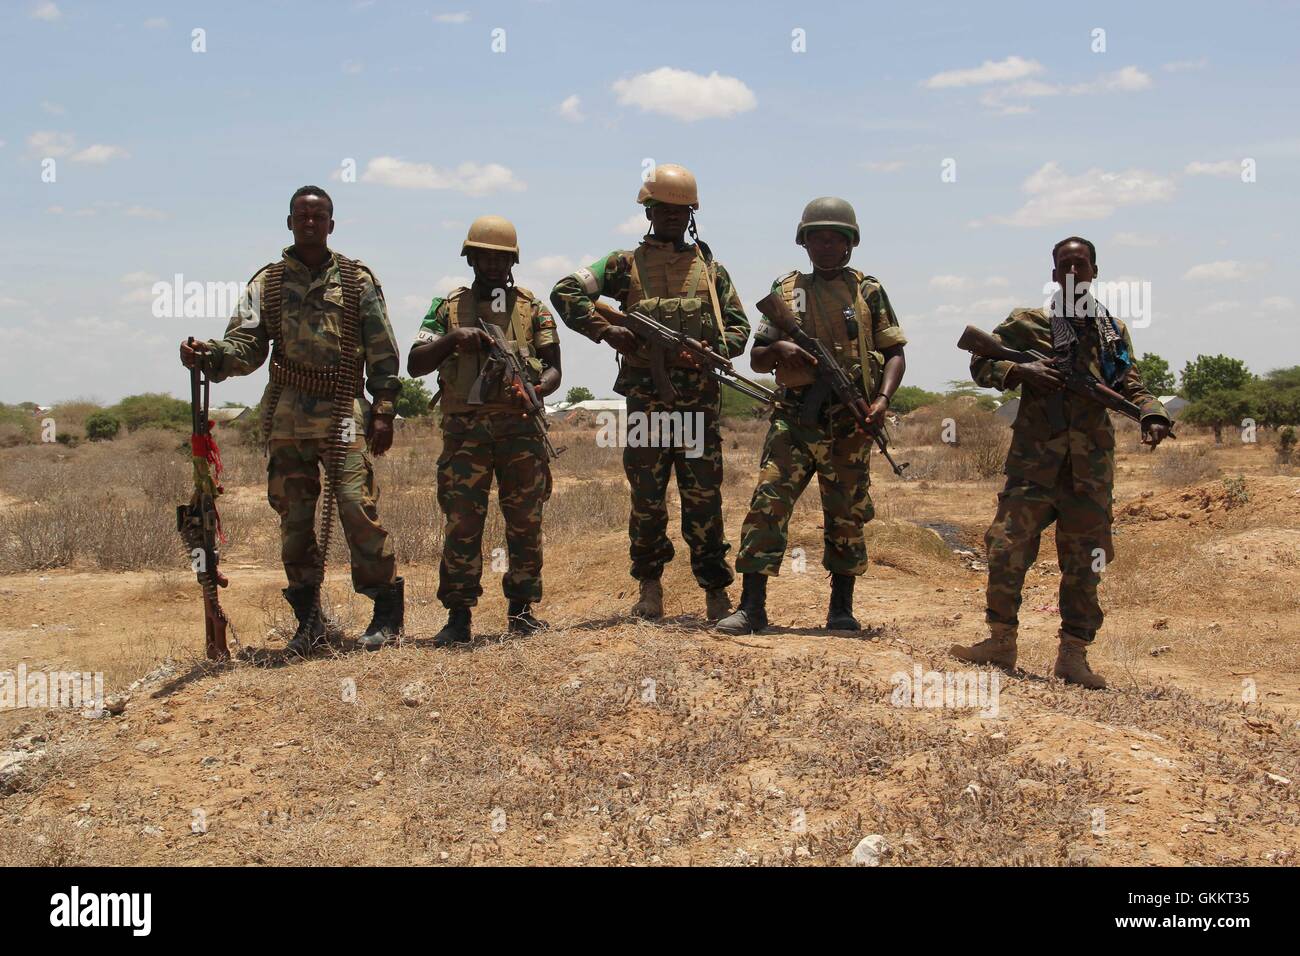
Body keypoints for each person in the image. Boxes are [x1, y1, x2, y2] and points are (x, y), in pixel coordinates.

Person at [179, 186, 402, 656]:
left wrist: (384, 410)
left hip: (344, 412)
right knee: (293, 520)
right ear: (289, 222)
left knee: (356, 507)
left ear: (331, 225)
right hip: (287, 418)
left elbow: (383, 352)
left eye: (318, 216)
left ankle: (386, 610)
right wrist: (210, 356)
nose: (310, 223)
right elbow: (245, 347)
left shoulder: (357, 280)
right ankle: (309, 620)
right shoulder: (269, 283)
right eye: (301, 216)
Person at [950, 236, 1171, 688]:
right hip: (1033, 463)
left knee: (1086, 561)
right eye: (1064, 265)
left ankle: (1073, 656)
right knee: (1006, 549)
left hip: (1089, 471)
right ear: (1054, 274)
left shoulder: (1111, 332)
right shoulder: (1028, 324)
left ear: (1094, 270)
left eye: (1081, 263)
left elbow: (1130, 385)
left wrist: (1153, 412)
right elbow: (980, 363)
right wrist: (1020, 371)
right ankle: (1000, 642)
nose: (1073, 271)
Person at [549, 164, 749, 622]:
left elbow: (739, 329)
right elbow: (565, 292)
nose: (672, 216)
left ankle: (716, 593)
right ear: (649, 210)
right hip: (646, 406)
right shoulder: (623, 265)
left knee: (704, 501)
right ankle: (650, 589)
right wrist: (607, 331)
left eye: (681, 210)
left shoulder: (710, 270)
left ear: (692, 214)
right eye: (663, 208)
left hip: (697, 408)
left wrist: (708, 351)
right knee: (647, 500)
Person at [716, 197, 907, 635]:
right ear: (804, 242)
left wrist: (880, 401)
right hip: (794, 420)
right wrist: (780, 348)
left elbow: (895, 354)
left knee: (847, 515)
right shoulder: (786, 291)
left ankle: (841, 610)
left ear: (849, 244)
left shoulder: (868, 291)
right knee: (767, 506)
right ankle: (752, 608)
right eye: (817, 237)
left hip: (850, 424)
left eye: (835, 238)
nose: (825, 245)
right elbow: (758, 359)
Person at [408, 216, 562, 646]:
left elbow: (554, 370)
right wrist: (454, 338)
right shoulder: (447, 308)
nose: (493, 265)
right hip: (465, 434)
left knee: (525, 522)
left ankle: (523, 610)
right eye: (485, 257)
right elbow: (416, 362)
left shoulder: (533, 309)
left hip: (521, 431)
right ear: (470, 258)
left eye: (502, 258)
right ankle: (458, 616)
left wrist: (533, 388)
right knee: (462, 524)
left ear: (512, 261)